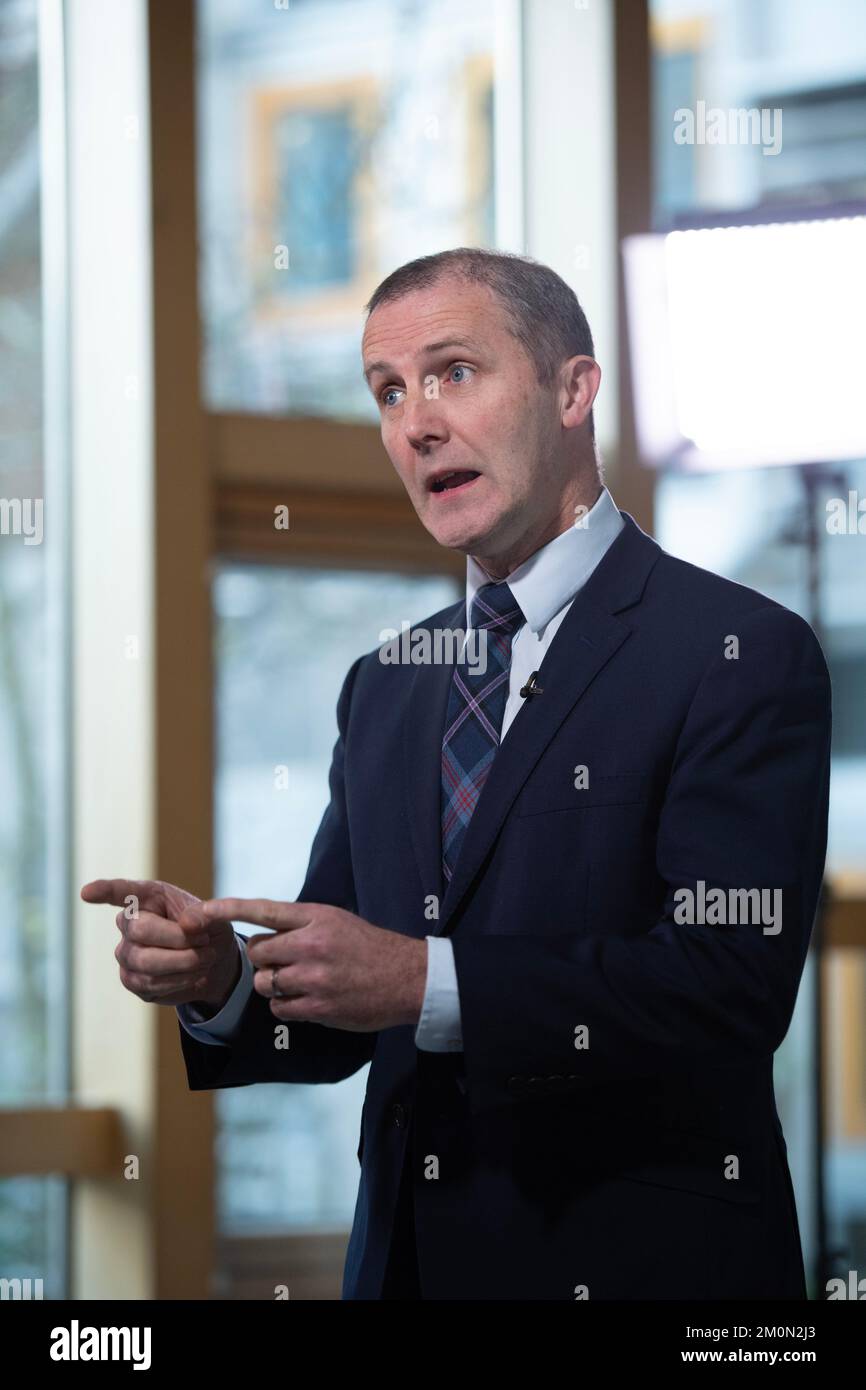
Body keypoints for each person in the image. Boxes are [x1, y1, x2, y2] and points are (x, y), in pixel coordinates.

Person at [82, 248, 831, 1300]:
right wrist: (222, 981)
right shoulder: (384, 684)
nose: (414, 422)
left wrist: (424, 980)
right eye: (387, 393)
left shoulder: (736, 651)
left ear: (572, 390)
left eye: (453, 374)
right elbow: (346, 990)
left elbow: (726, 985)